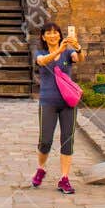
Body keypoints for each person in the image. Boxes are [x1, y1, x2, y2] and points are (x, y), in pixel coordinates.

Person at [32, 22, 83, 194]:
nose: (53, 35)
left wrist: (79, 48)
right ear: (43, 36)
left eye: (56, 33)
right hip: (48, 102)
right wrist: (58, 51)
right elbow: (42, 62)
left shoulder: (68, 52)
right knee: (45, 140)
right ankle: (41, 168)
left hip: (68, 103)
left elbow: (78, 58)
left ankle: (64, 178)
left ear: (60, 35)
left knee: (67, 140)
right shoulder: (40, 52)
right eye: (49, 33)